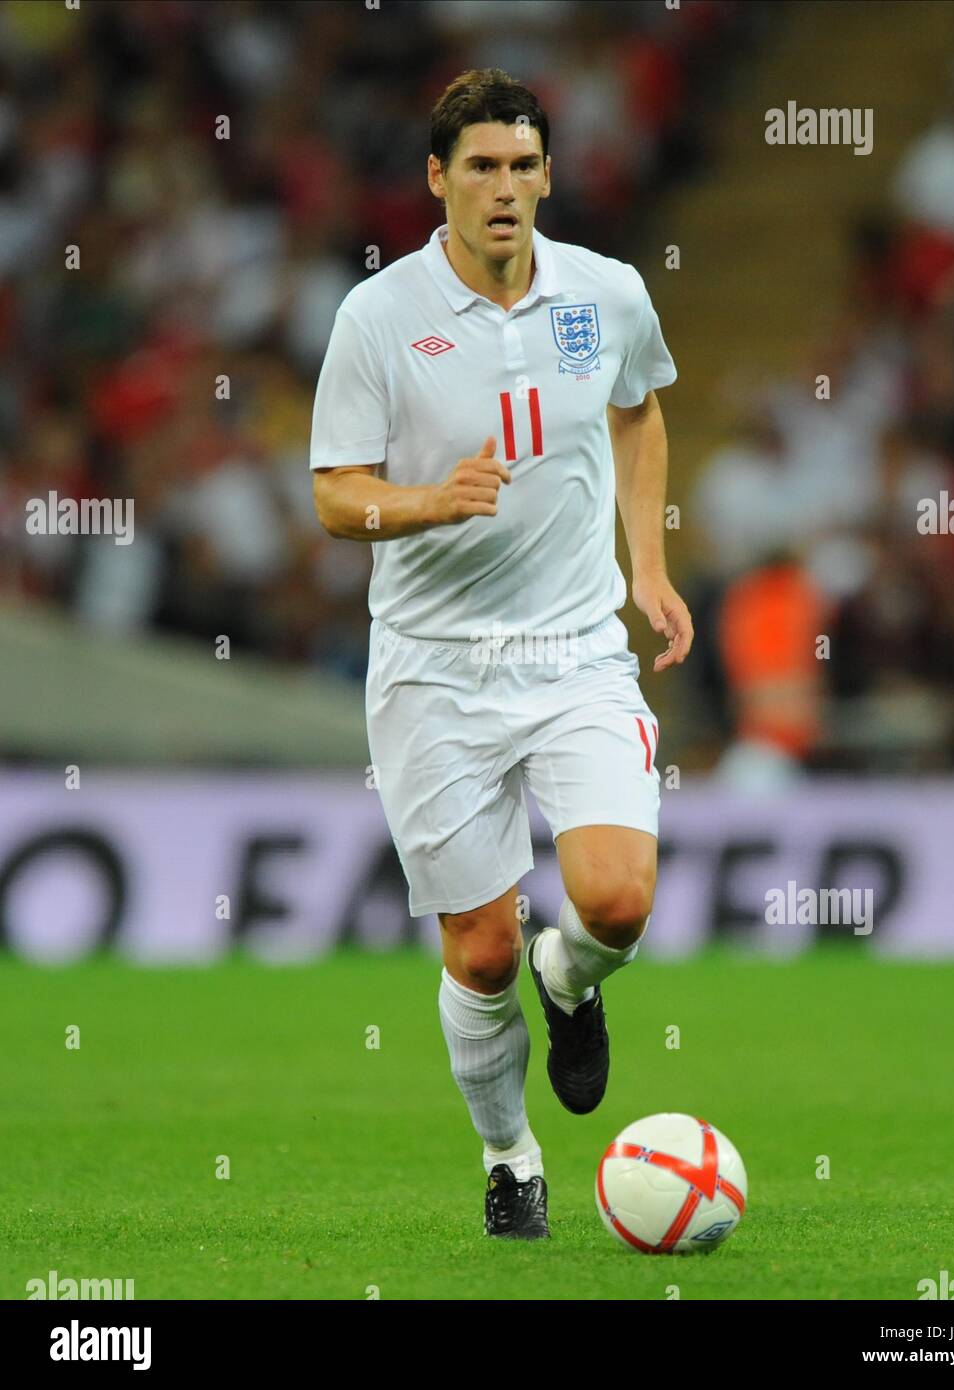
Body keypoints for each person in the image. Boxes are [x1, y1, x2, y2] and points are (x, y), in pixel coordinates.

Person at [310, 68, 691, 1239]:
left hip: (575, 644)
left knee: (617, 900)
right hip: (433, 664)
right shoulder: (378, 318)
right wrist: (430, 503)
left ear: (547, 176)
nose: (506, 187)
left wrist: (649, 563)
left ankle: (571, 978)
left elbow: (639, 409)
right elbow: (334, 499)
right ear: (437, 180)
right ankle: (509, 1154)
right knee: (479, 951)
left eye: (525, 165)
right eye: (481, 166)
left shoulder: (607, 293)